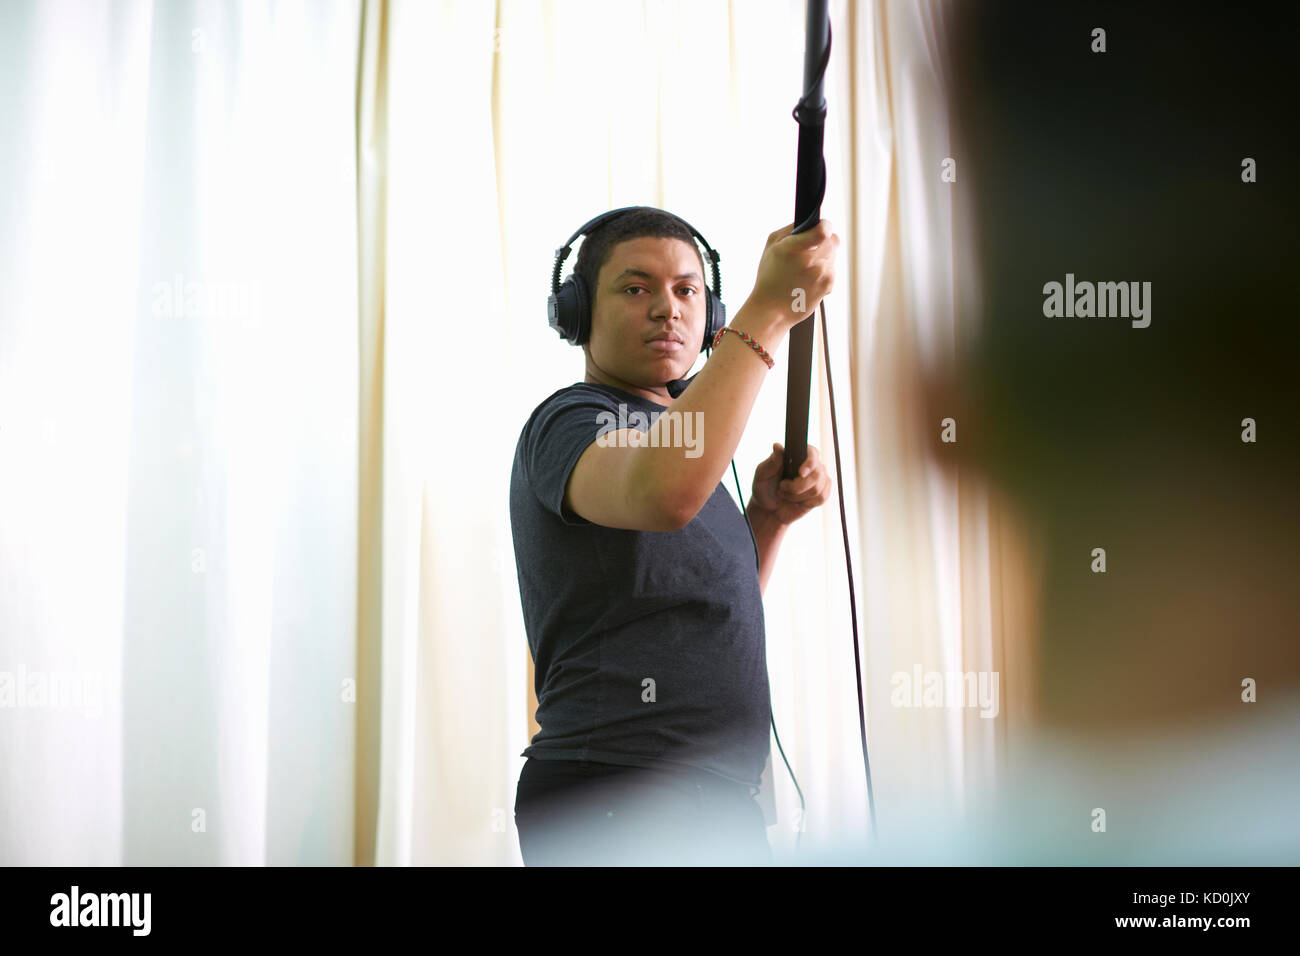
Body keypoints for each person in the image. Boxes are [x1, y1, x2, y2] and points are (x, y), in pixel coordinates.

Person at [508, 207, 839, 865]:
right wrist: (768, 313)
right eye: (636, 289)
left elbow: (698, 605)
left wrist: (766, 520)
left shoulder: (683, 447)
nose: (668, 309)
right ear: (576, 315)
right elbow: (662, 493)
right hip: (618, 794)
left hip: (709, 803)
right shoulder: (572, 423)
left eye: (687, 290)